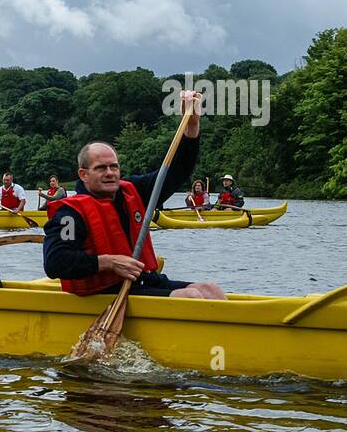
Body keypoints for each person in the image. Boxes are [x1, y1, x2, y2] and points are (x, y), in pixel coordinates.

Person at [43, 92, 225, 299]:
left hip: (142, 281)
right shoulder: (70, 215)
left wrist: (191, 127)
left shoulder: (133, 190)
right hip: (105, 292)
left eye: (114, 166)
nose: (110, 173)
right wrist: (109, 262)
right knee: (190, 296)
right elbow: (56, 261)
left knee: (210, 289)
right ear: (83, 174)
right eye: (101, 168)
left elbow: (176, 172)